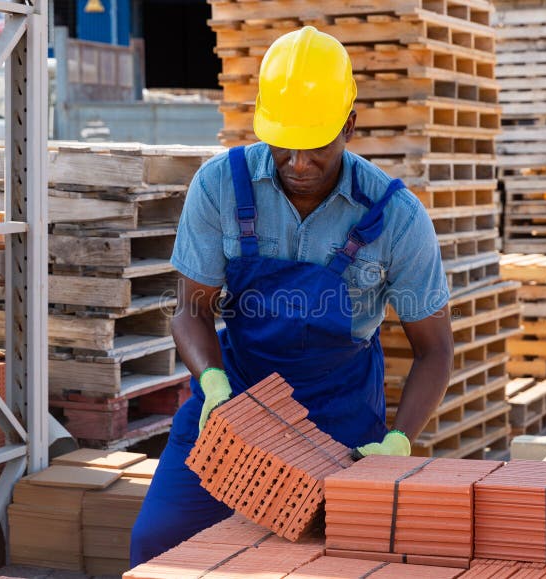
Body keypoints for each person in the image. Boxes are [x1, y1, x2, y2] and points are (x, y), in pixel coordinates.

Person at [130, 25, 454, 564]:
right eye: (284, 145)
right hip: (233, 401)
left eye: (316, 147)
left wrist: (398, 442)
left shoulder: (396, 217)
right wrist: (212, 384)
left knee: (324, 562)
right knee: (158, 542)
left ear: (349, 124)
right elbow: (191, 311)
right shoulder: (220, 187)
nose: (299, 164)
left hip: (340, 414)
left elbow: (435, 349)